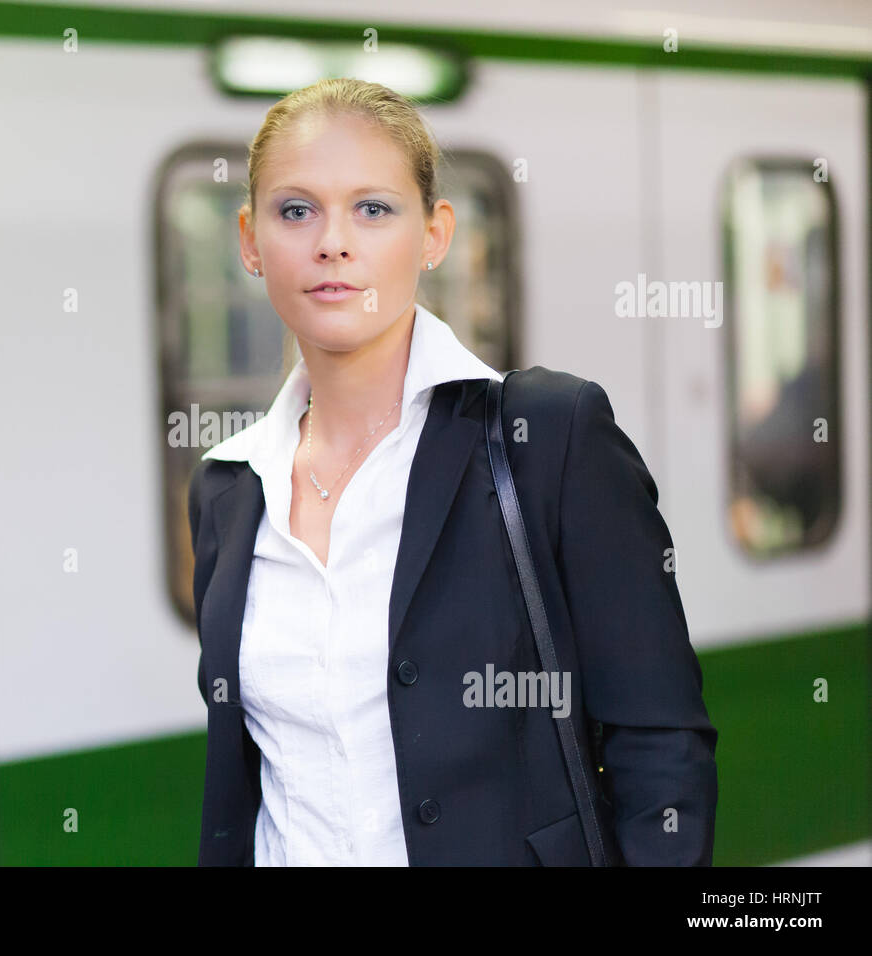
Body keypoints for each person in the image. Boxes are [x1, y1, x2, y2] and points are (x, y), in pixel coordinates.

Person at [187, 77, 717, 866]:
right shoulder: (230, 488)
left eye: (374, 209)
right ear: (251, 241)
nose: (332, 242)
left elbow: (659, 743)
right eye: (296, 210)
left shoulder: (547, 438)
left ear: (435, 235)